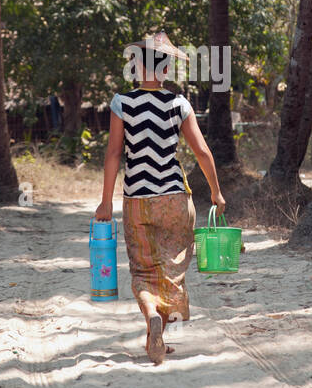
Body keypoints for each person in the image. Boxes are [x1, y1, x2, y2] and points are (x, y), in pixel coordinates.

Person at [95, 32, 226, 365]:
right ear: (166, 70)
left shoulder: (121, 103)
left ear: (137, 67)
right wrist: (216, 191)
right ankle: (161, 334)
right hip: (175, 198)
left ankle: (151, 312)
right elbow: (202, 151)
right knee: (171, 269)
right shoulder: (178, 104)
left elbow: (113, 153)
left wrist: (106, 202)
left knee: (143, 268)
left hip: (137, 198)